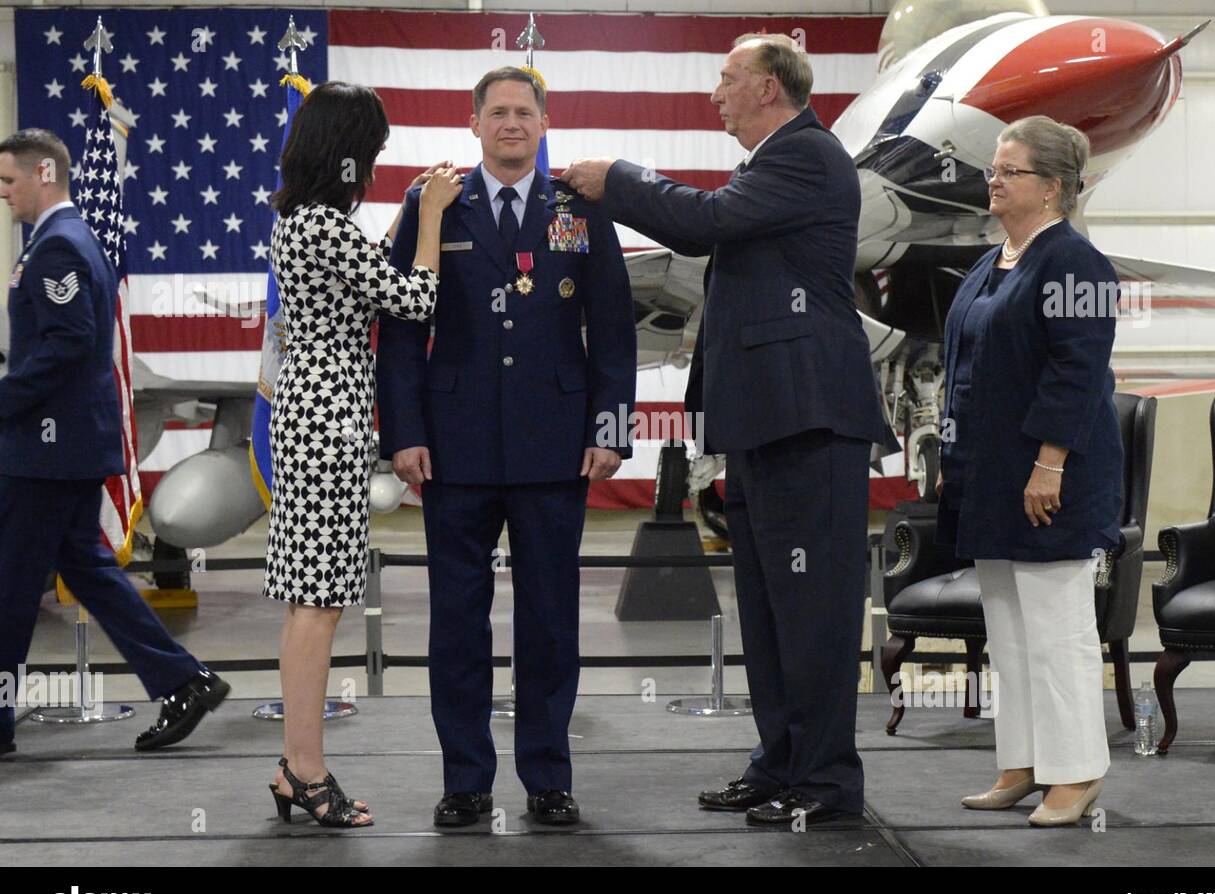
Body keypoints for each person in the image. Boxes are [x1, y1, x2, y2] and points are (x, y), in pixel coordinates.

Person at [563, 35, 897, 826]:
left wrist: (619, 180)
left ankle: (825, 783)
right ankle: (780, 761)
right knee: (771, 607)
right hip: (765, 425)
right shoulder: (774, 164)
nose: (715, 93)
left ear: (772, 89)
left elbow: (701, 223)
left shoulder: (808, 155)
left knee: (811, 611)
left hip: (808, 421)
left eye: (728, 78)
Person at [378, 67, 636, 827]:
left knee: (550, 622)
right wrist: (404, 434)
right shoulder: (432, 205)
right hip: (452, 450)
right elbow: (399, 329)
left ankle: (548, 777)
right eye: (499, 113)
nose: (512, 124)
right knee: (457, 622)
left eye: (525, 112)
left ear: (545, 122)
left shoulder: (579, 209)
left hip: (555, 447)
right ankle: (466, 781)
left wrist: (611, 429)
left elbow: (614, 328)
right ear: (474, 123)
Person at [263, 82, 461, 827]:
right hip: (330, 414)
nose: (375, 164)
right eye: (371, 150)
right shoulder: (323, 222)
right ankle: (306, 770)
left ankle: (296, 765)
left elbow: (367, 277)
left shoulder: (301, 219)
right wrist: (433, 214)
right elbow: (414, 298)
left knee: (309, 600)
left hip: (308, 409)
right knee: (319, 602)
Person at [0, 128, 228, 757]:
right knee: (89, 571)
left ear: (44, 172)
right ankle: (184, 680)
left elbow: (67, 344)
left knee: (10, 585)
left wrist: (5, 399)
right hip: (63, 445)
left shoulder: (57, 248)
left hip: (47, 449)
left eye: (9, 181)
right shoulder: (67, 240)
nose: (4, 194)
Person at [936, 115, 1122, 826]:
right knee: (1008, 631)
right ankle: (1022, 761)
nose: (993, 179)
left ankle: (1075, 772)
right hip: (988, 477)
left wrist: (1050, 463)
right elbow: (966, 372)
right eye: (994, 168)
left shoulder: (1076, 263)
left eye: (1009, 170)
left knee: (1058, 631)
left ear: (1051, 188)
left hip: (1051, 479)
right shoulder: (993, 263)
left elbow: (1078, 374)